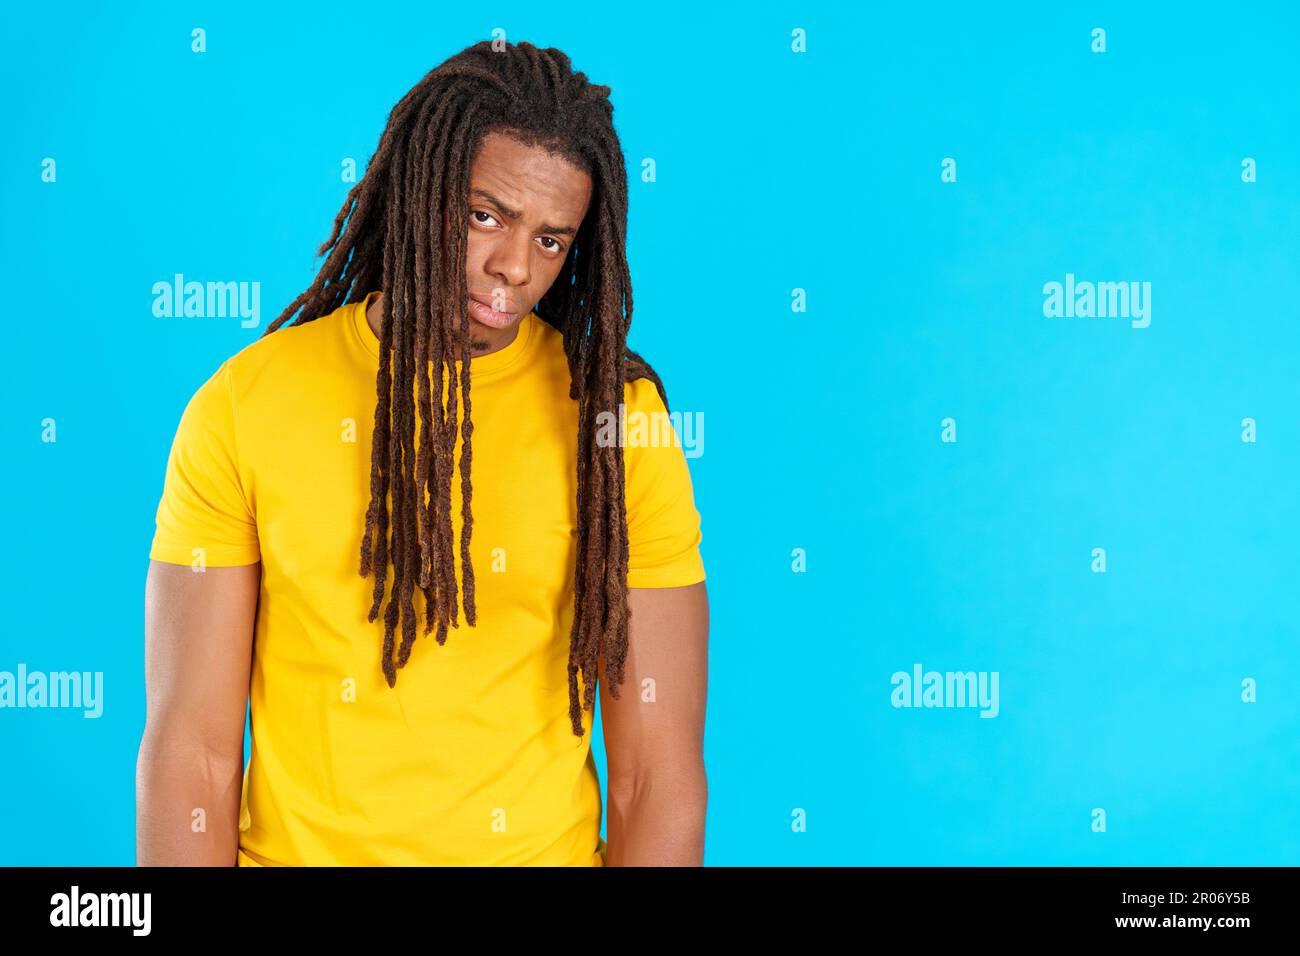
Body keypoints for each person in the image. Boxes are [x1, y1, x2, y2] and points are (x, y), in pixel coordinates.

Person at [136, 39, 709, 867]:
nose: (514, 266)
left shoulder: (617, 425)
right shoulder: (246, 404)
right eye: (486, 216)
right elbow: (192, 751)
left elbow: (655, 776)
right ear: (418, 189)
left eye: (552, 240)